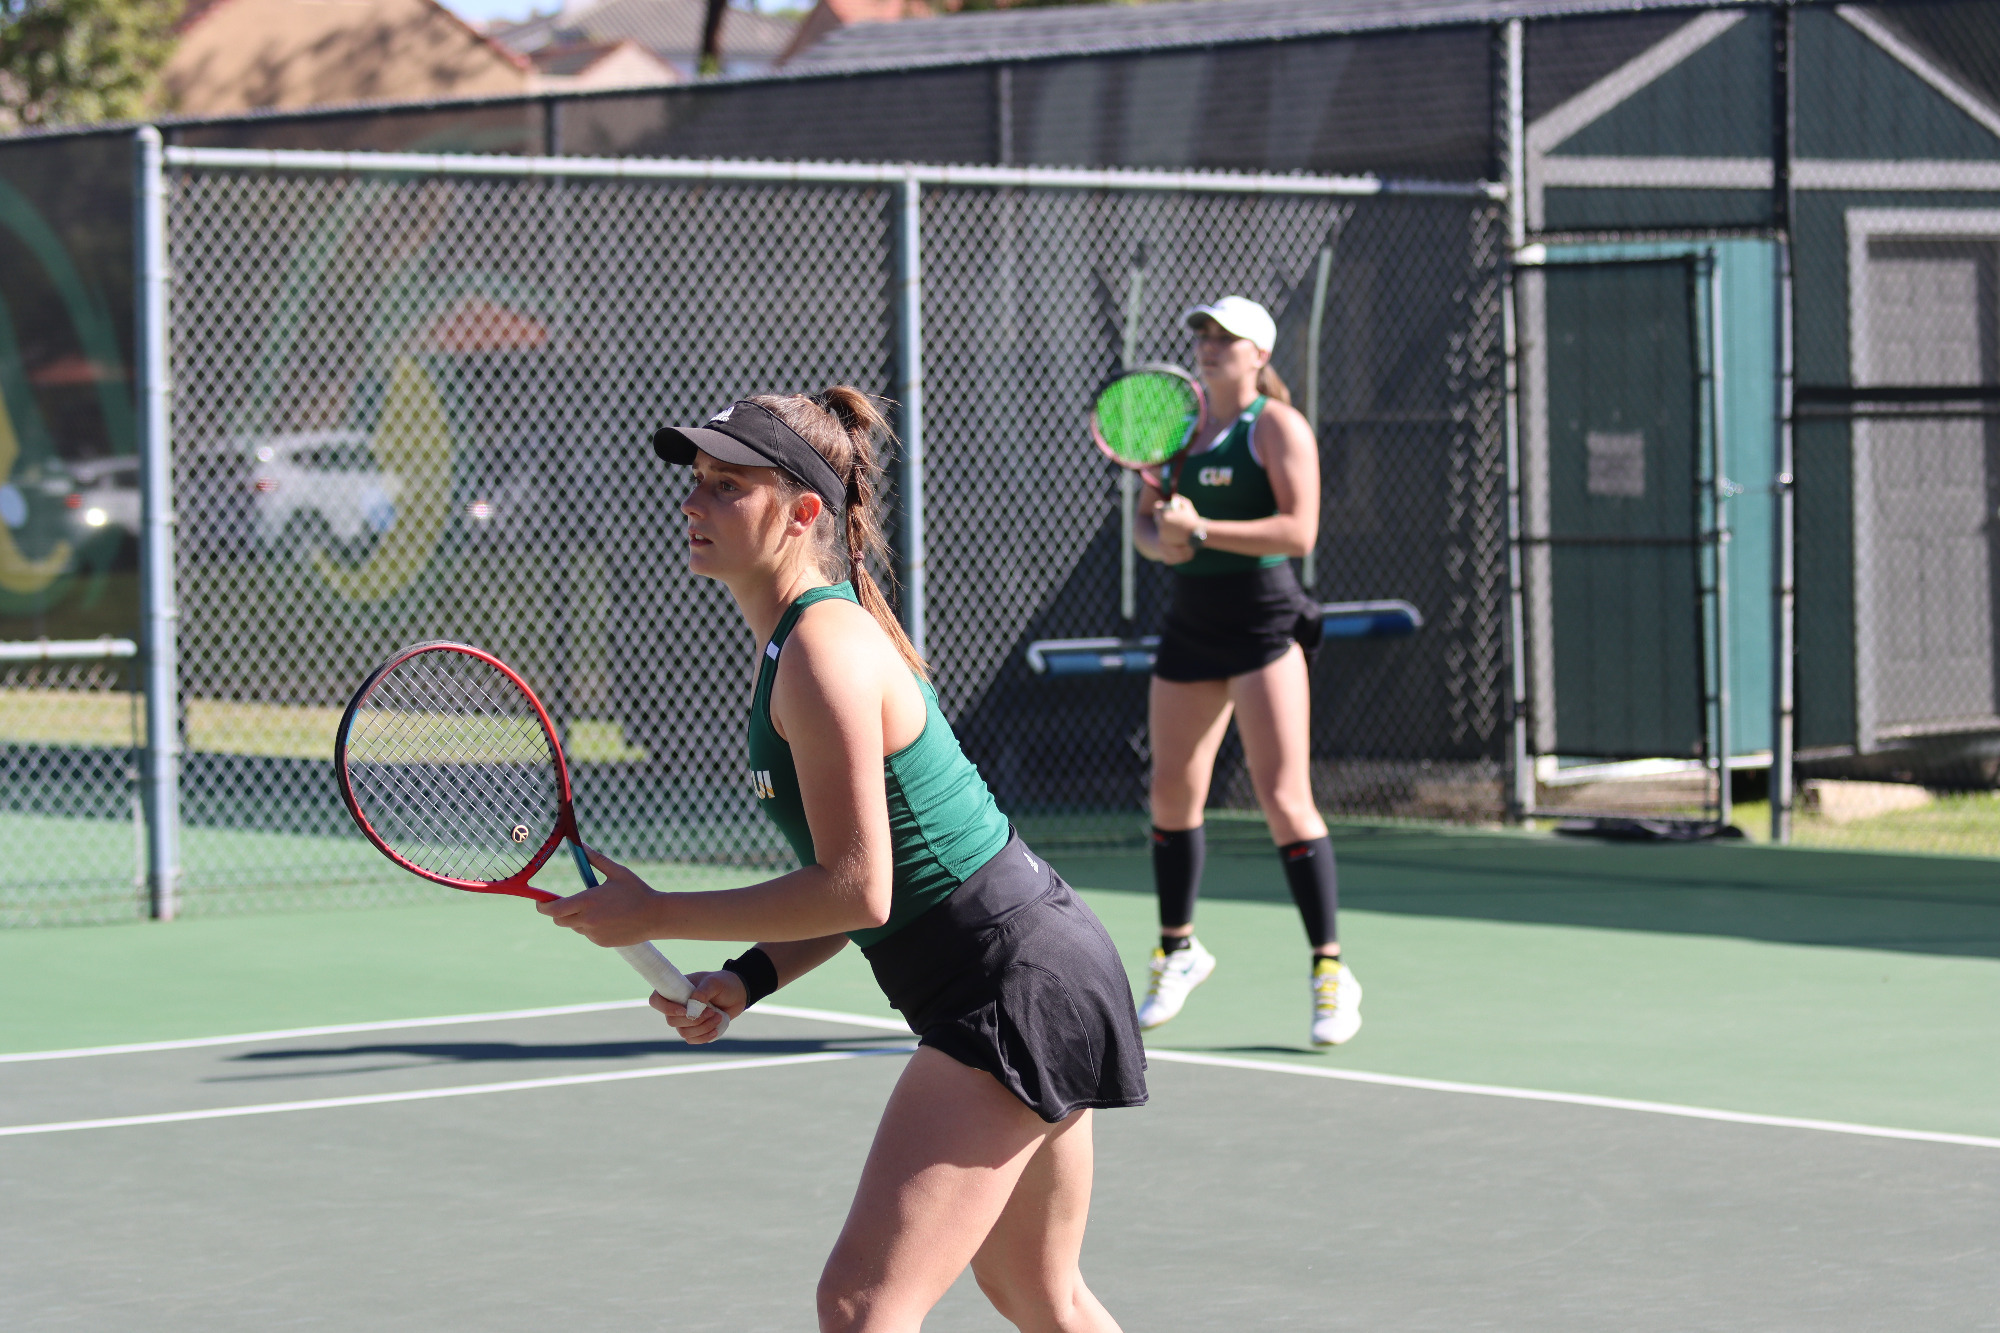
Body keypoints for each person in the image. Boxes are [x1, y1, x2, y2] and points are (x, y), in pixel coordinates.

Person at [537, 388, 1146, 1333]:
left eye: (727, 485)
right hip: (1038, 968)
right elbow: (874, 888)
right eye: (695, 482)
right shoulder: (793, 645)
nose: (693, 503)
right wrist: (744, 977)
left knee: (864, 1305)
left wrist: (656, 912)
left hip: (1011, 984)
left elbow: (857, 890)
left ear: (803, 513)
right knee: (1040, 1294)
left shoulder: (821, 650)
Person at [1131, 295, 1361, 1048]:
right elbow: (1146, 522)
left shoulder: (1277, 428)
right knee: (1171, 792)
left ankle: (1331, 970)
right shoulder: (1175, 431)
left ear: (1258, 354)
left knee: (1284, 797)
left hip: (1266, 626)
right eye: (1200, 333)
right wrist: (1161, 541)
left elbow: (1300, 530)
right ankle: (1177, 950)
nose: (1207, 345)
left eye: (1224, 337)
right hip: (1192, 626)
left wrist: (1202, 528)